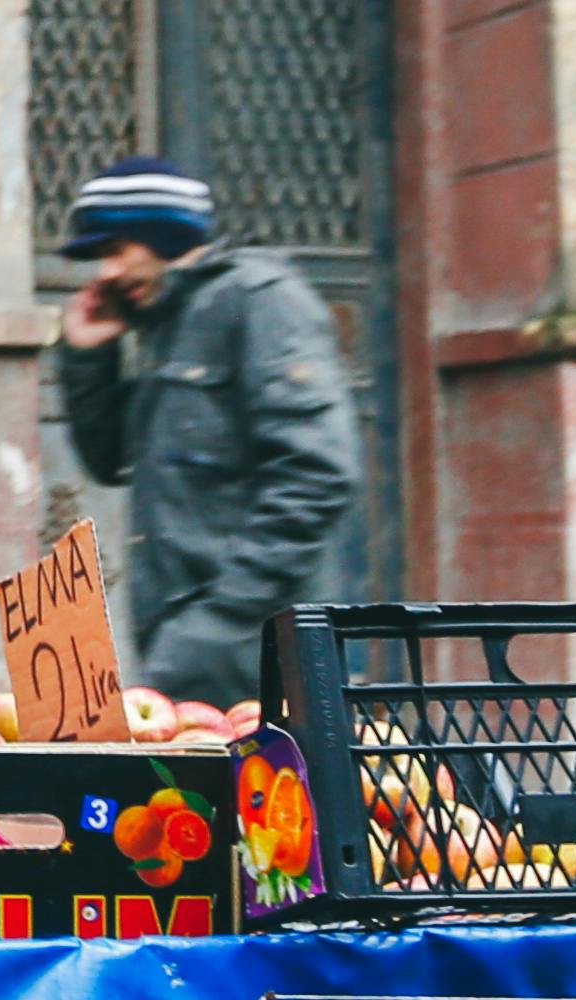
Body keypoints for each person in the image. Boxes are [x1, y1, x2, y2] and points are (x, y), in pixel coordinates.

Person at [47, 152, 364, 704]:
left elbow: (319, 473)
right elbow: (109, 458)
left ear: (164, 235)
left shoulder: (258, 300)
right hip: (189, 636)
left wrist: (220, 619)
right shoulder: (167, 320)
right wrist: (87, 358)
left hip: (257, 646)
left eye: (116, 249)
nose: (106, 272)